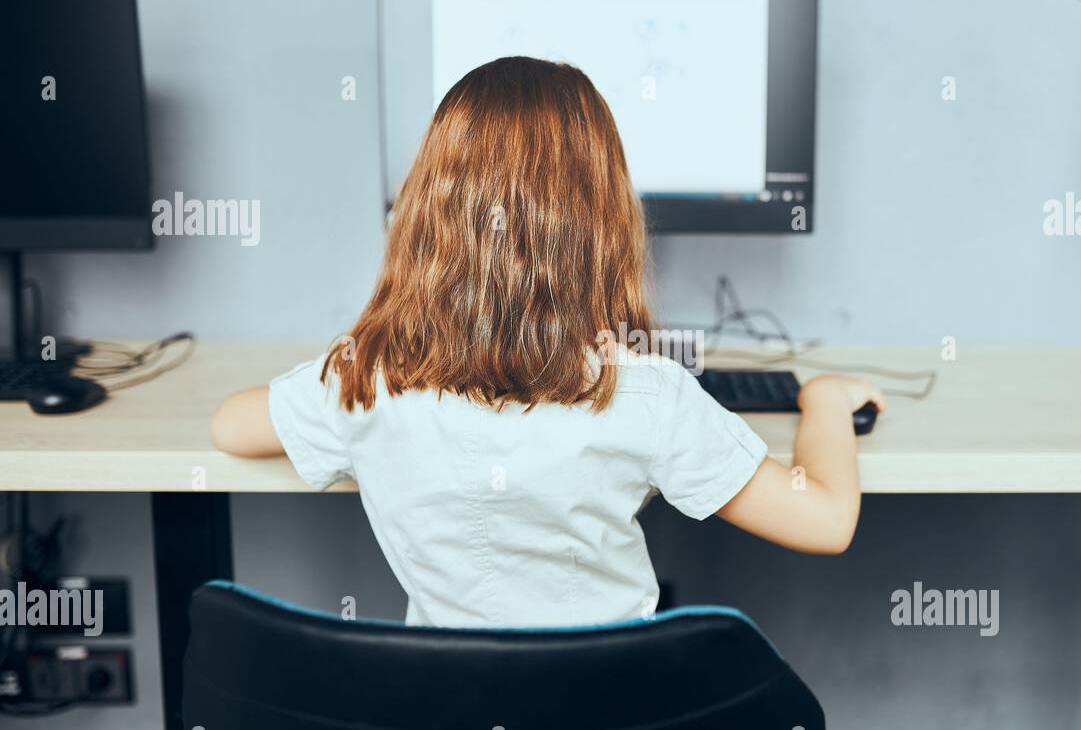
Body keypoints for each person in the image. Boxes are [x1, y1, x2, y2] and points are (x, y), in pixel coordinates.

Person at [210, 56, 883, 628]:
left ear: (427, 214)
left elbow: (231, 426)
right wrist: (822, 400)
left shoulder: (365, 383)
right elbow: (826, 521)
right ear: (605, 220)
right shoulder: (648, 397)